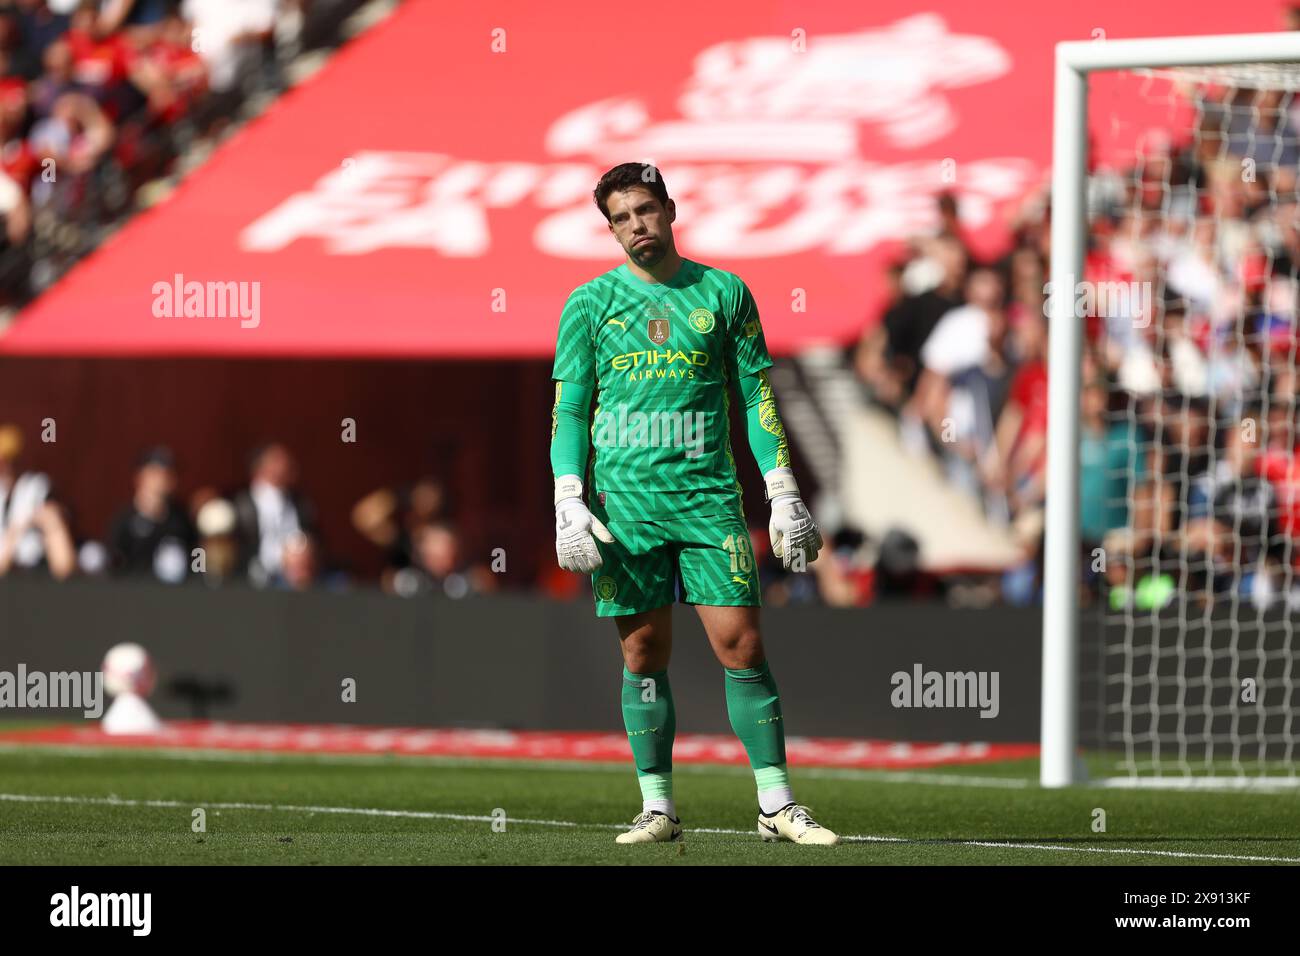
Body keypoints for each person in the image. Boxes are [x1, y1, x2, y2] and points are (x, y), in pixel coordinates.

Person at [549, 163, 837, 847]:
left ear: (670, 210)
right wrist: (568, 496)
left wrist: (784, 490)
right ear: (610, 228)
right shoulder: (589, 304)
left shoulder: (725, 292)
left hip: (710, 501)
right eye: (621, 218)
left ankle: (776, 804)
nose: (636, 227)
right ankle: (658, 808)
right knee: (644, 654)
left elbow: (758, 400)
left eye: (645, 210)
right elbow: (570, 412)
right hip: (626, 507)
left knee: (742, 645)